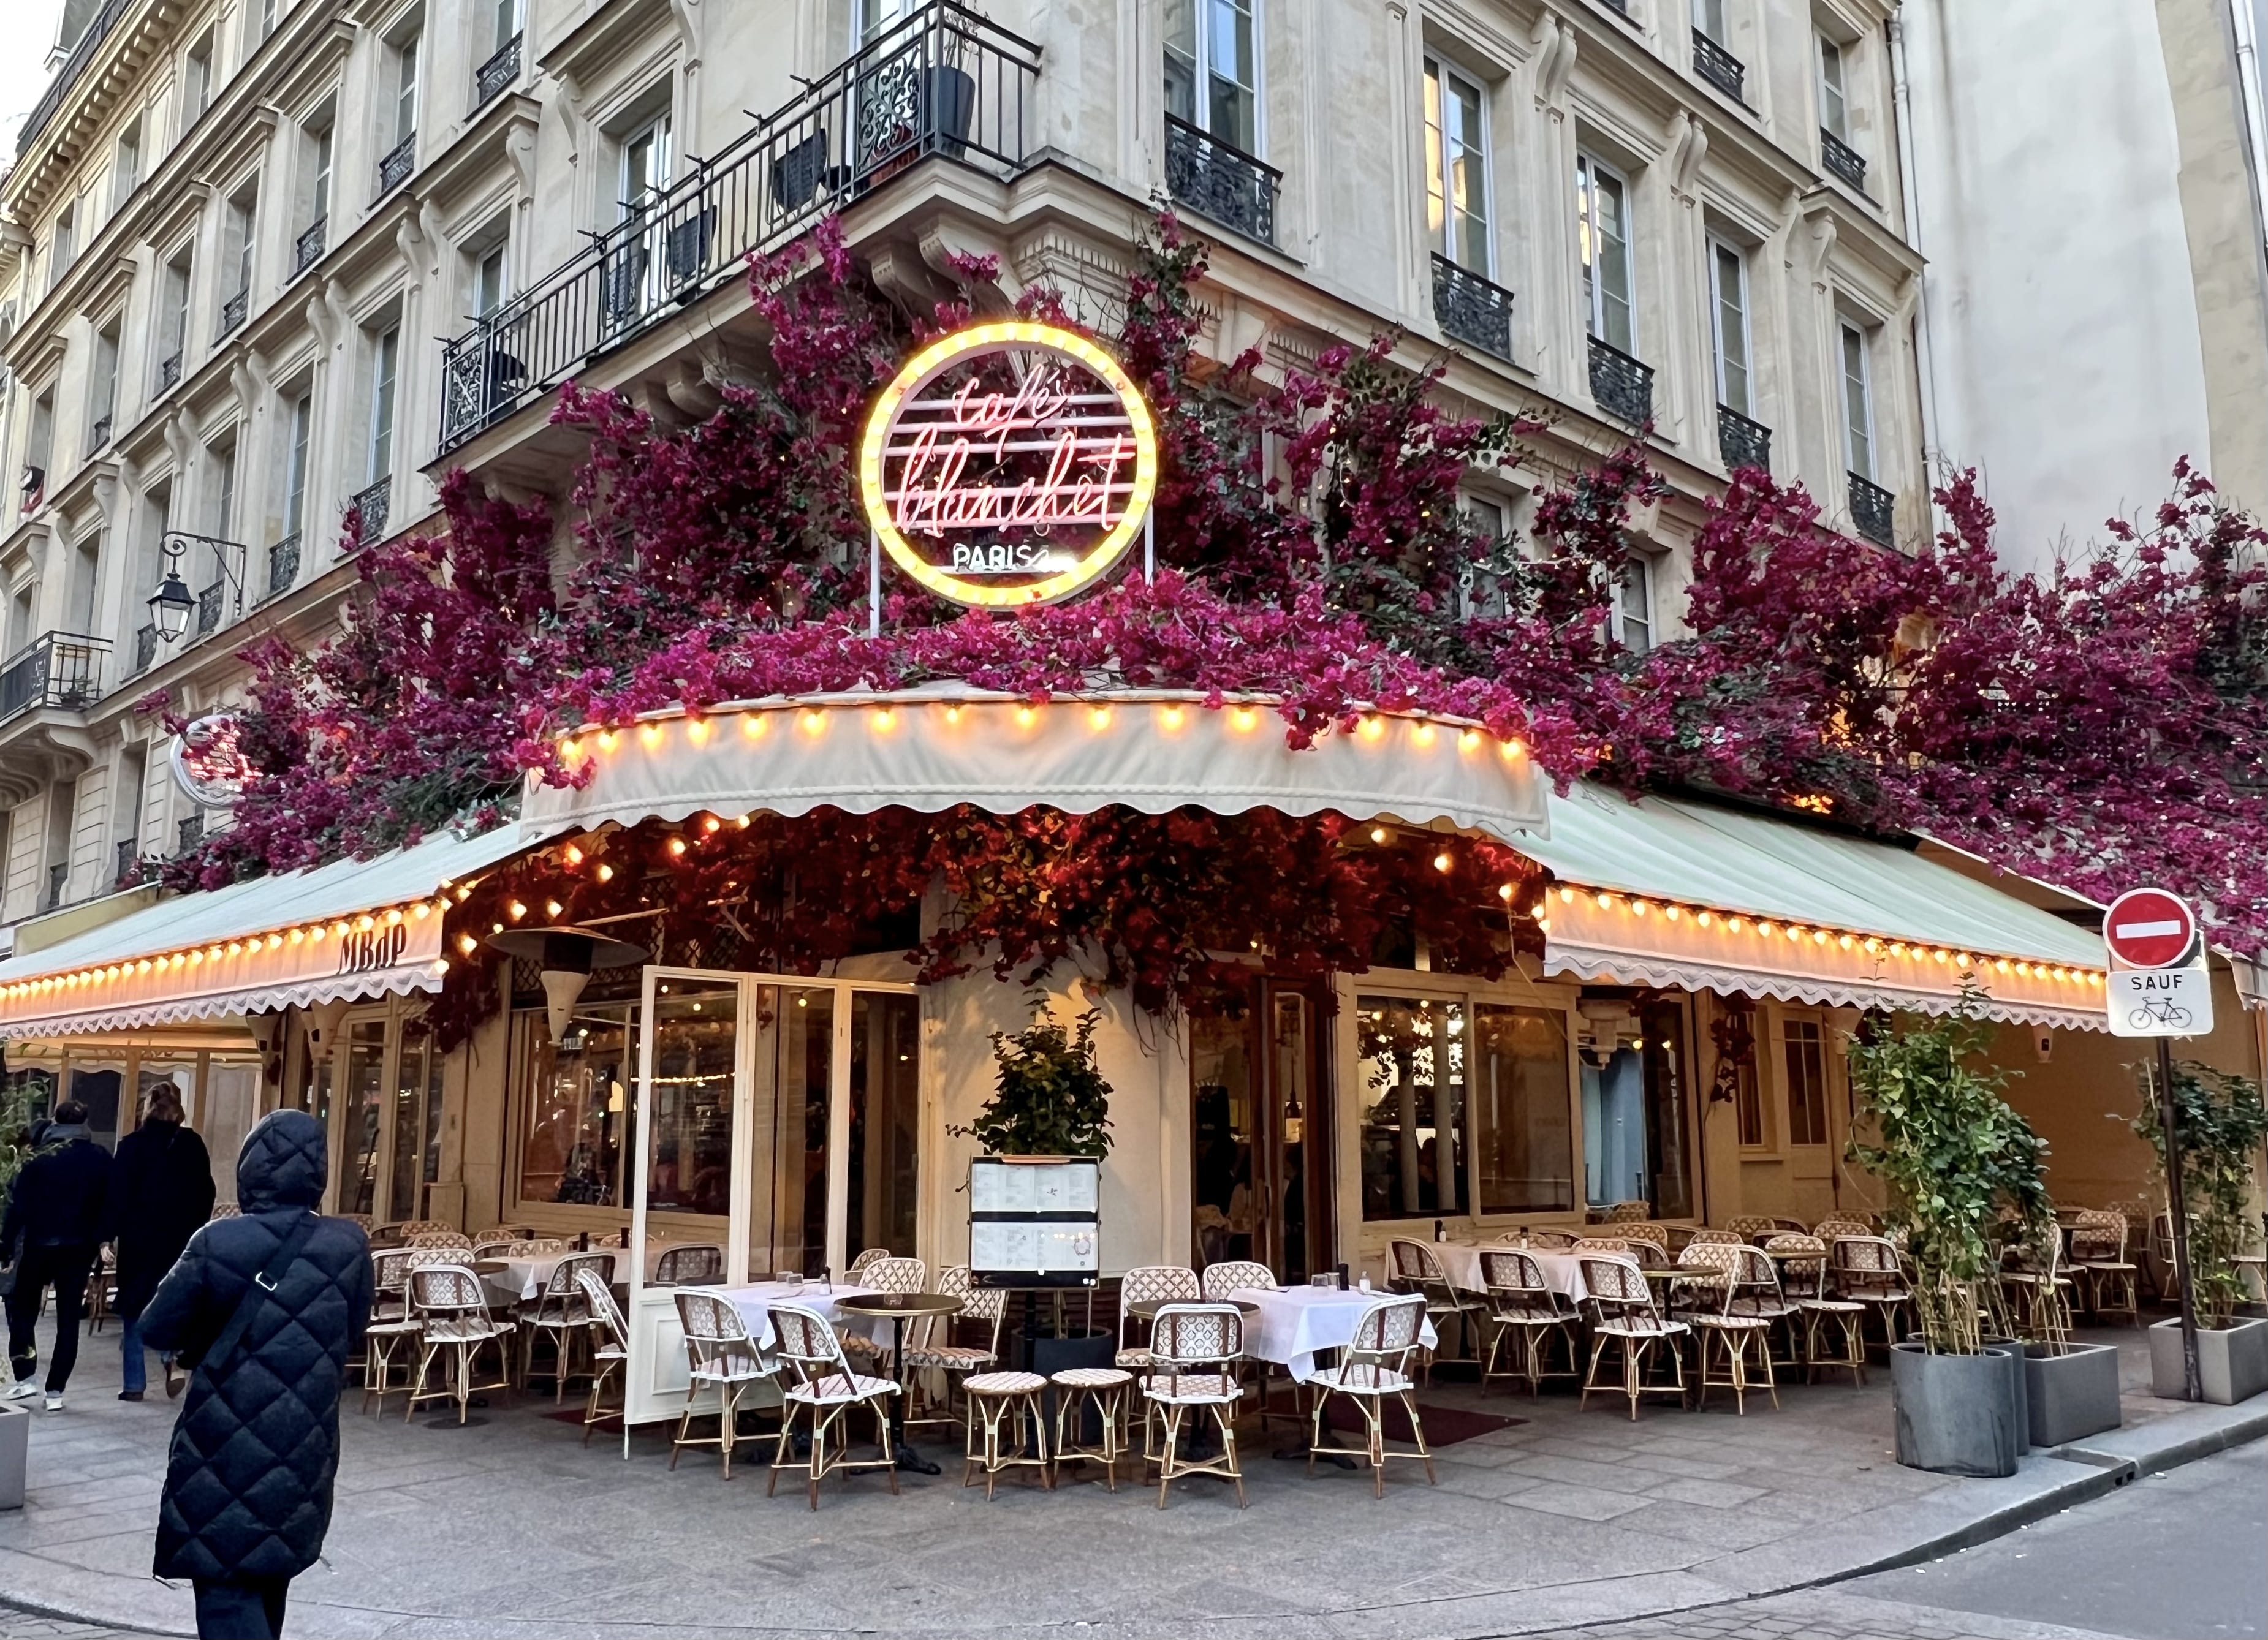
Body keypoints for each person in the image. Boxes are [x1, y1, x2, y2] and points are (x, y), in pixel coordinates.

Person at [141, 1109, 371, 1640]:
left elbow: (156, 1326)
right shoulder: (348, 1244)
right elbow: (353, 1329)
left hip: (222, 1436)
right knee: (269, 1571)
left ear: (251, 1168)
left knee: (226, 1587)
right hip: (307, 1435)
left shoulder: (217, 1240)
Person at [0, 1098, 113, 1411]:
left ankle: (25, 1377)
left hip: (38, 1244)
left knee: (23, 1312)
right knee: (68, 1319)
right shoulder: (100, 1158)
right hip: (79, 1248)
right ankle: (56, 1391)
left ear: (54, 1121)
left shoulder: (39, 1158)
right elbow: (109, 1204)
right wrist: (103, 1239)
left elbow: (18, 1205)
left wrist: (6, 1244)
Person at [110, 1084, 214, 1401]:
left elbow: (117, 1195)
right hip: (180, 1239)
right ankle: (172, 1357)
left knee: (133, 1307)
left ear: (147, 1108)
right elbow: (206, 1192)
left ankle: (133, 1384)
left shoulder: (131, 1146)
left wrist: (107, 1235)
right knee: (173, 1300)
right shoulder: (192, 1144)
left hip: (139, 1239)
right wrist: (196, 1225)